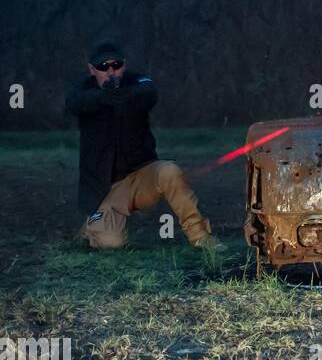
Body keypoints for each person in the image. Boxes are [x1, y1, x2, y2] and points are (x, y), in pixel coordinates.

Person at [65, 41, 222, 250]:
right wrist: (104, 97)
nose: (111, 71)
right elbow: (75, 102)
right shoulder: (83, 89)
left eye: (116, 65)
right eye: (103, 67)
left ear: (124, 65)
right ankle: (92, 227)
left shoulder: (136, 81)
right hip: (106, 188)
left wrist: (121, 96)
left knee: (169, 171)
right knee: (110, 243)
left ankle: (201, 237)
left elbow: (149, 91)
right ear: (92, 69)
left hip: (141, 176)